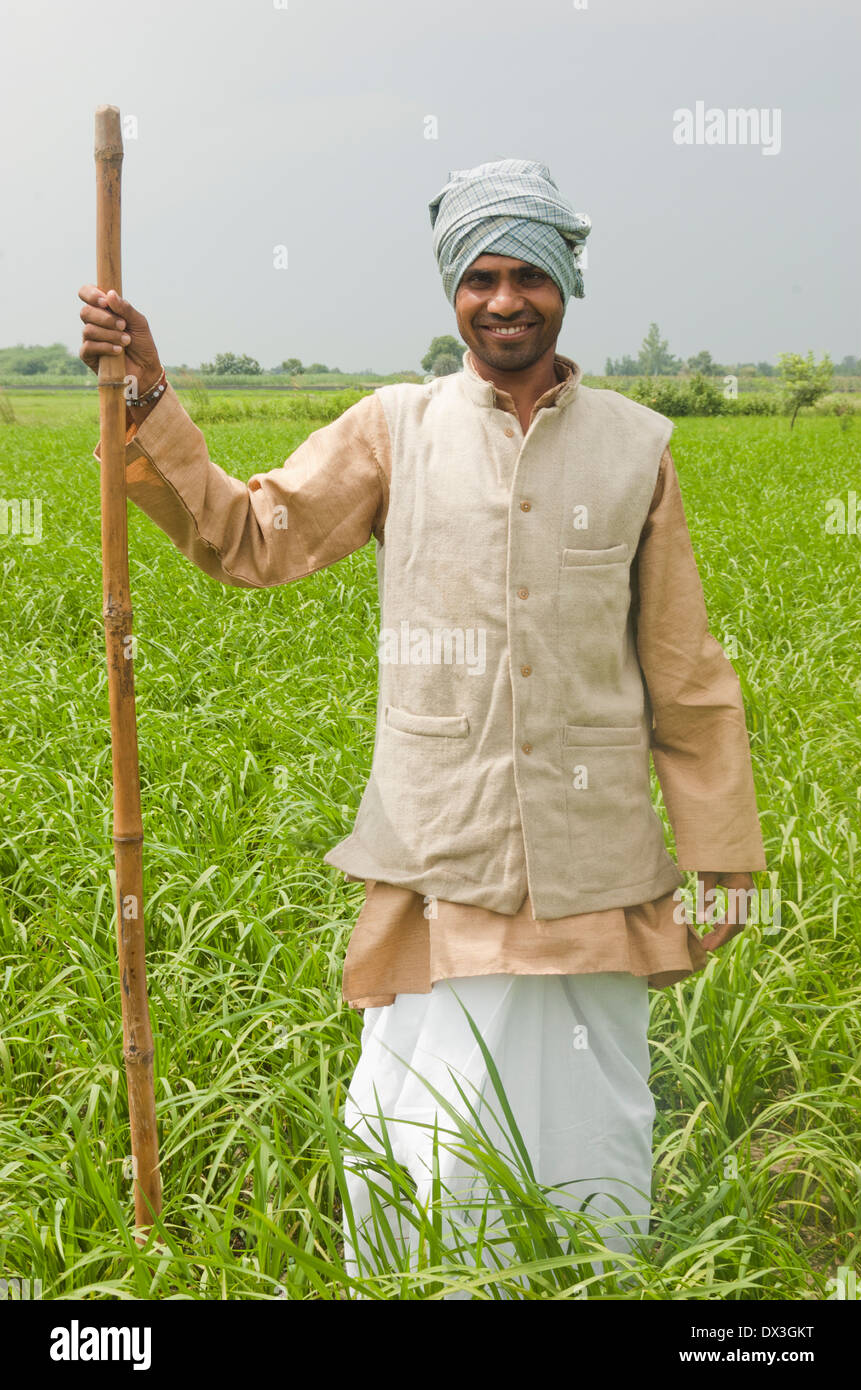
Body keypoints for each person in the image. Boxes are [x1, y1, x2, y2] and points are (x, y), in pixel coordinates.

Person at [78, 157, 766, 1296]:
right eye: (483, 277)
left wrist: (725, 858)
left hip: (594, 869)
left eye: (530, 275)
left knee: (590, 1132)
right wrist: (147, 393)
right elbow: (254, 539)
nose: (507, 301)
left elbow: (685, 672)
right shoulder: (396, 430)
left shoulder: (638, 446)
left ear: (565, 284)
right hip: (443, 854)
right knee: (434, 1144)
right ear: (454, 291)